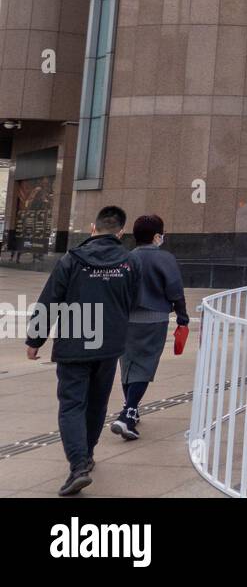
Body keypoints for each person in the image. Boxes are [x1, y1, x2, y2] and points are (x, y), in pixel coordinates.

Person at [24, 206, 138, 496]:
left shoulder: (71, 260)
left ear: (92, 228)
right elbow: (131, 302)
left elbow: (50, 301)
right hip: (109, 347)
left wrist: (34, 340)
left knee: (73, 405)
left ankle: (78, 466)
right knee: (97, 404)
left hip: (75, 344)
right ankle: (85, 454)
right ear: (121, 232)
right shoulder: (129, 262)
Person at [112, 215, 189, 442]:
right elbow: (175, 290)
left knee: (128, 365)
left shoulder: (126, 258)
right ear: (157, 236)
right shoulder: (165, 259)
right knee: (144, 366)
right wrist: (182, 318)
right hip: (154, 319)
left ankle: (131, 411)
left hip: (126, 320)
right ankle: (128, 413)